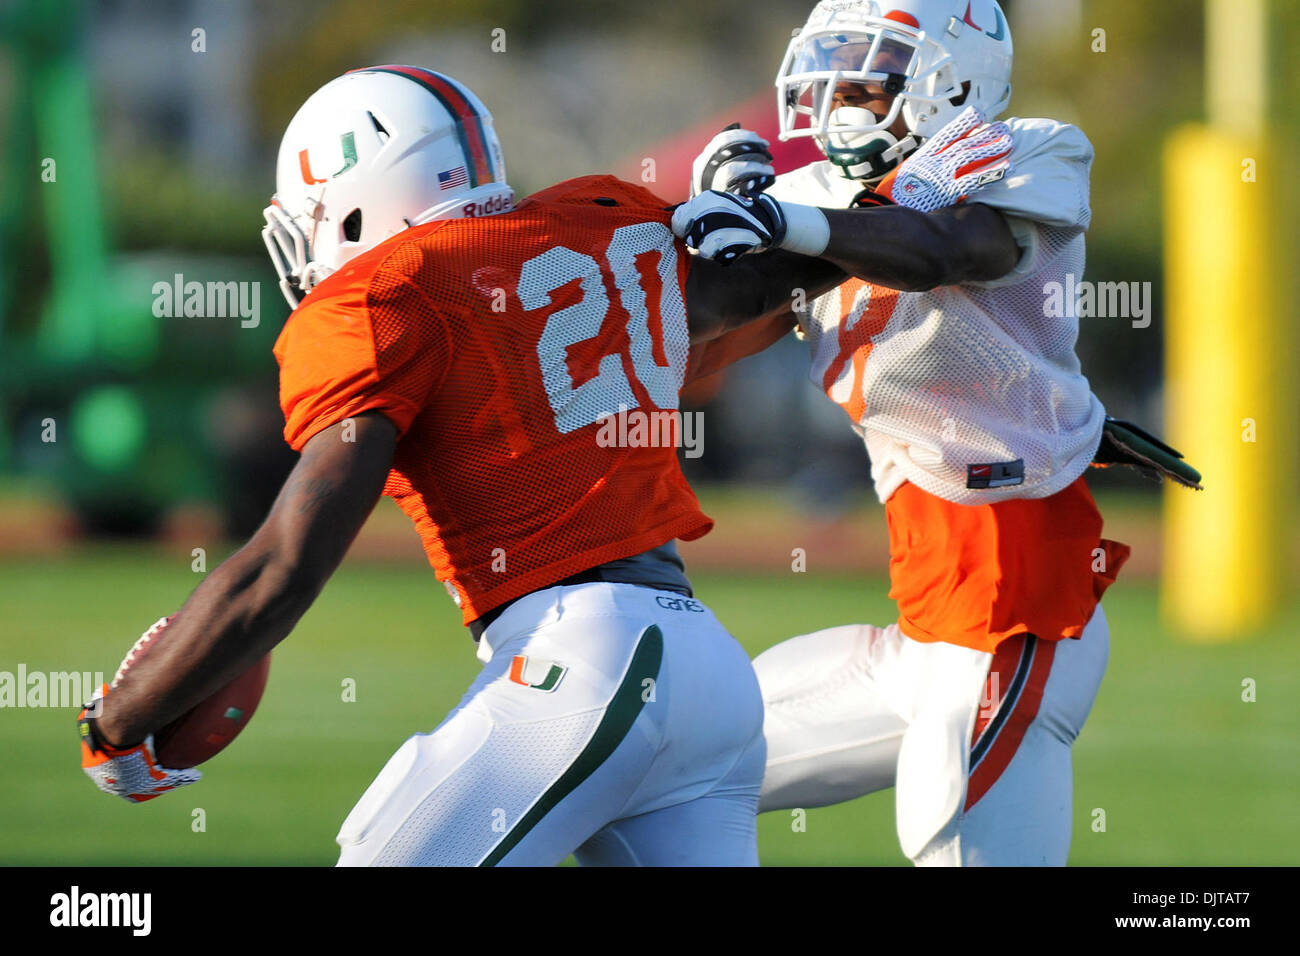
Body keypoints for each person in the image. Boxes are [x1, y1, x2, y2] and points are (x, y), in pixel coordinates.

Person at [77, 65, 845, 866]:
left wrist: (118, 724)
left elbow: (287, 563)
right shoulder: (595, 221)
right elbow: (756, 292)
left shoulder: (380, 297)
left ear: (348, 206)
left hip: (585, 659)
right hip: (706, 672)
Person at [672, 0, 1198, 865]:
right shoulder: (813, 199)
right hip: (928, 626)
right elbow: (700, 323)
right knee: (662, 770)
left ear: (952, 79)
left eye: (868, 77)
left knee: (952, 843)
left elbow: (951, 247)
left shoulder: (1021, 149)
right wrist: (710, 230)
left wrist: (778, 223)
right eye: (831, 72)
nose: (839, 97)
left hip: (1014, 608)